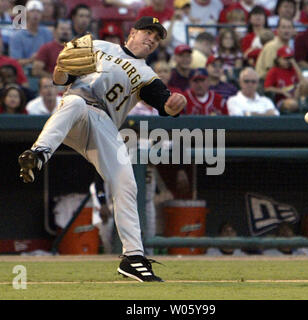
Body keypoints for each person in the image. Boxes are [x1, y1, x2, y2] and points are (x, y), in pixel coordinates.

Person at [18, 17, 187, 282]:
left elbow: (165, 105)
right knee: (73, 102)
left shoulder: (146, 74)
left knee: (126, 183)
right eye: (147, 32)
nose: (152, 39)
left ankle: (133, 258)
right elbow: (61, 78)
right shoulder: (98, 46)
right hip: (74, 112)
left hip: (105, 125)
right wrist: (61, 67)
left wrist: (174, 105)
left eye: (156, 37)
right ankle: (38, 155)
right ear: (132, 32)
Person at [264, 45, 308, 113]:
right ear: (278, 59)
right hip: (282, 100)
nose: (288, 61)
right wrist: (282, 91)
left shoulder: (293, 69)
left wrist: (294, 63)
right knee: (292, 104)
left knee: (307, 82)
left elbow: (304, 82)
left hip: (296, 96)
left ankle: (304, 106)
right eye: (285, 58)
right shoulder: (274, 71)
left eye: (290, 58)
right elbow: (267, 88)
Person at [9, 0, 53, 67]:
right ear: (26, 13)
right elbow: (14, 62)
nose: (35, 14)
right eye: (32, 11)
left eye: (38, 11)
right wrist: (31, 60)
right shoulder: (17, 36)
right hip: (24, 72)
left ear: (42, 14)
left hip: (43, 70)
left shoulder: (48, 33)